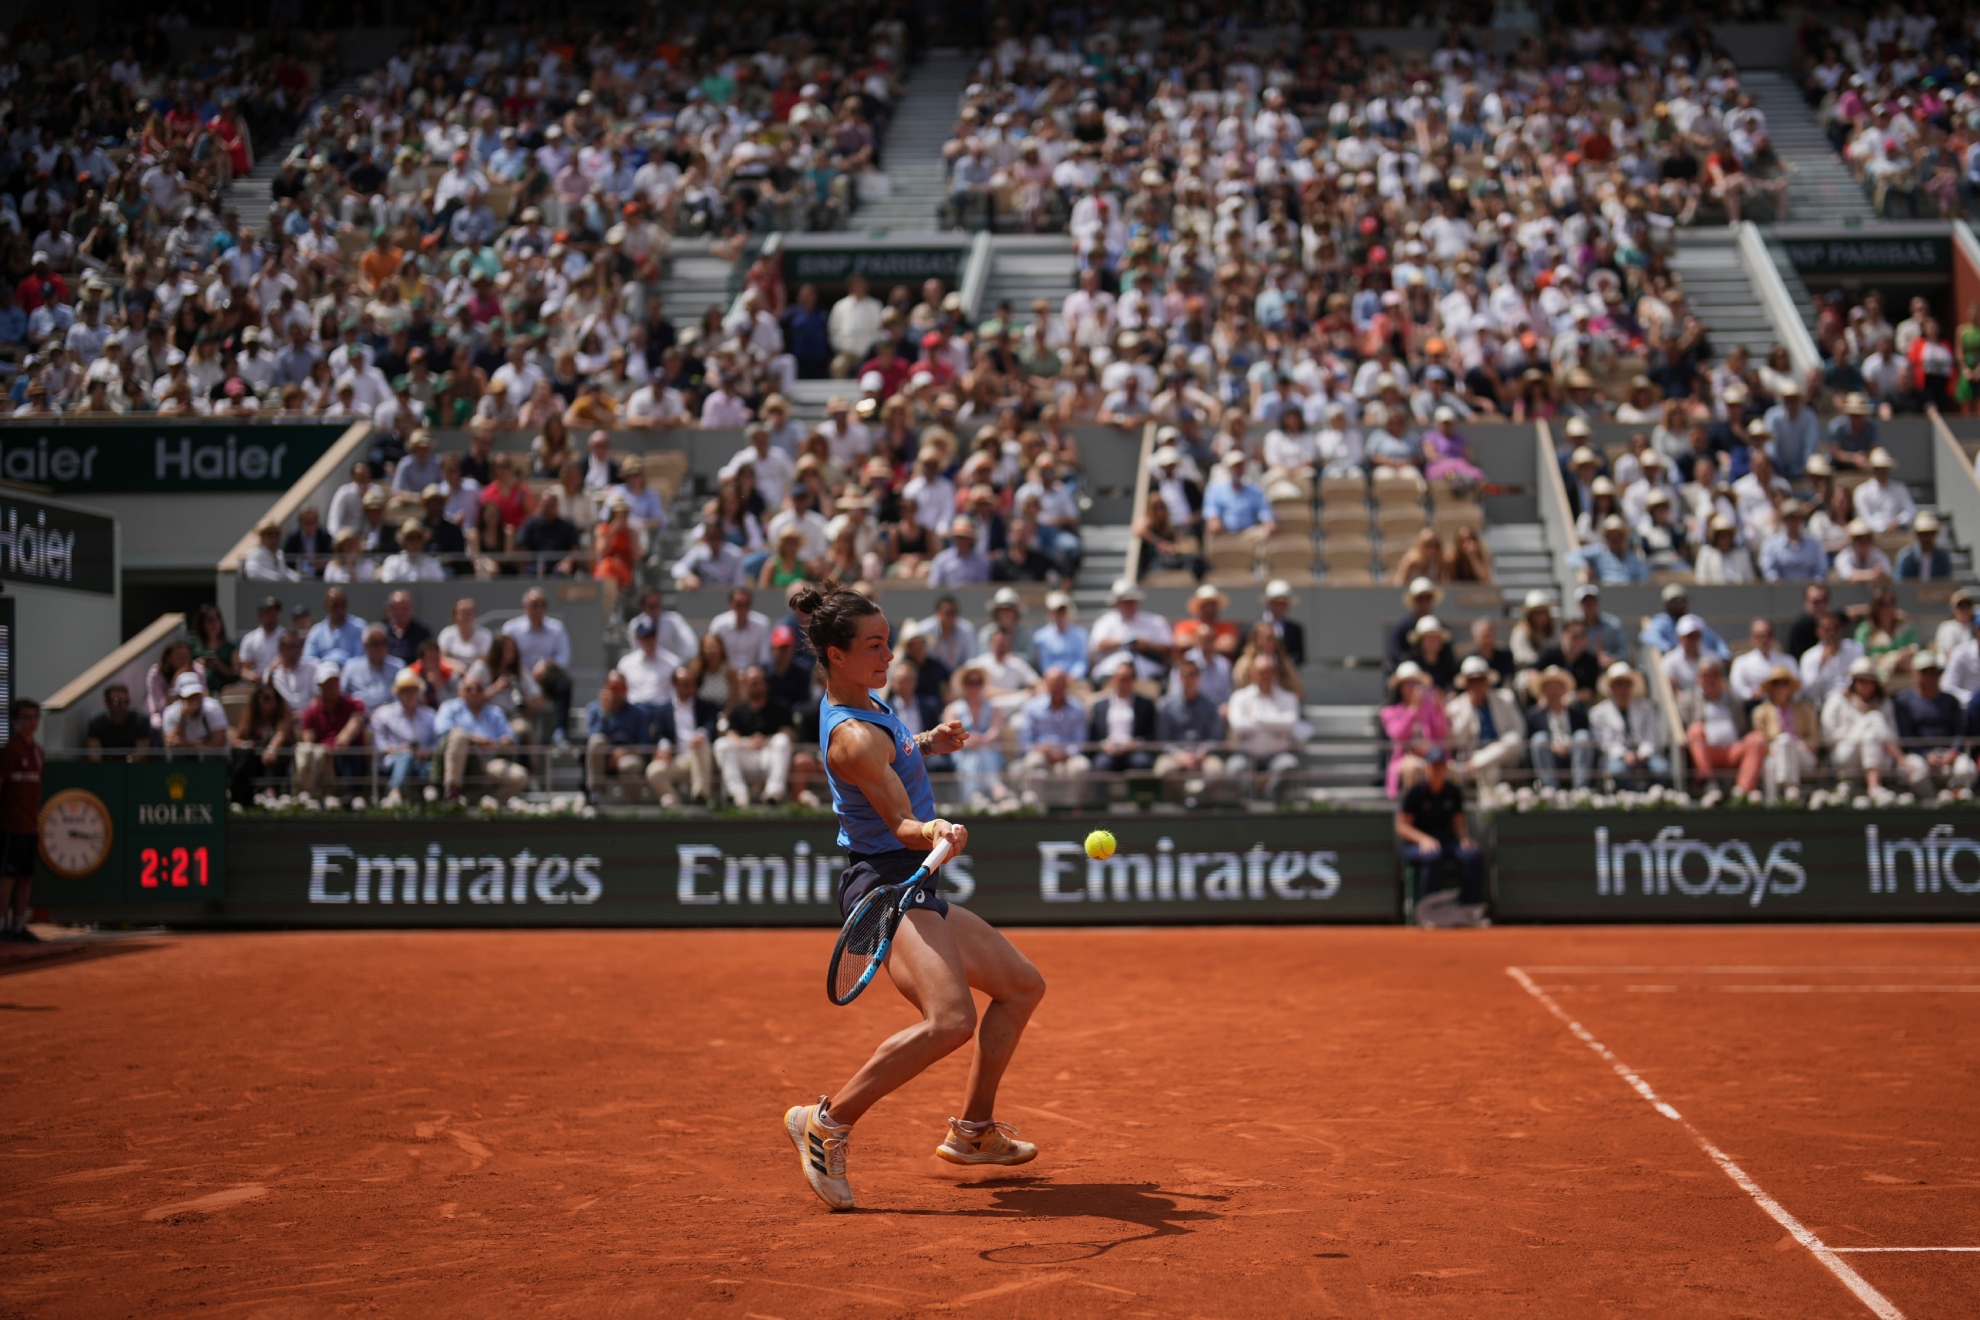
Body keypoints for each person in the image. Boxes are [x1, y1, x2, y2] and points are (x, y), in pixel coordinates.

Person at [784, 579, 1044, 1213]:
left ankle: (974, 1133)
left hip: (915, 879)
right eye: (874, 646)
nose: (889, 655)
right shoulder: (852, 735)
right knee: (951, 1020)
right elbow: (899, 822)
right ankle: (828, 1122)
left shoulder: (868, 706)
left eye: (889, 642)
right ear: (837, 655)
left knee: (1020, 985)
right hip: (888, 883)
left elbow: (892, 753)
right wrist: (934, 828)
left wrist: (926, 741)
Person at [1230, 650, 1311, 800]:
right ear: (1253, 673)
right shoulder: (1239, 697)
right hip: (1248, 756)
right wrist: (1275, 725)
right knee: (1235, 767)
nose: (1265, 676)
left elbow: (1290, 724)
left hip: (1277, 755)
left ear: (1275, 673)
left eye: (1269, 671)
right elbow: (1238, 726)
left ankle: (1271, 804)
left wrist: (1257, 719)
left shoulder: (1288, 698)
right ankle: (1249, 805)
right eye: (1261, 672)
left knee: (1288, 764)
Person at [1678, 657, 1764, 799]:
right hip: (1706, 752)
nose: (1710, 679)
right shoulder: (1688, 699)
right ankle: (1709, 785)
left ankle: (1742, 791)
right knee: (1695, 730)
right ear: (1698, 678)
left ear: (1721, 678)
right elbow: (1685, 728)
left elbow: (1744, 729)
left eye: (1714, 675)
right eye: (1705, 675)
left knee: (1757, 739)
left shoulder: (1733, 700)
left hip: (1732, 751)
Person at [1821, 658, 1907, 799]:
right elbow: (1828, 738)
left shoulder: (1884, 703)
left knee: (1871, 734)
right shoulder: (1836, 701)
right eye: (1862, 680)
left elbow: (1894, 736)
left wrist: (1866, 729)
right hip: (1844, 758)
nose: (1866, 686)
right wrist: (1859, 727)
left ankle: (1874, 786)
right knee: (1873, 718)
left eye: (1870, 681)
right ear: (1853, 682)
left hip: (1880, 760)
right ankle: (1902, 762)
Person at [435, 674, 528, 802]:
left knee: (519, 776)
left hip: (487, 762)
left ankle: (487, 804)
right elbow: (441, 729)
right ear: (459, 691)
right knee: (459, 735)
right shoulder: (450, 707)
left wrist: (496, 744)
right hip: (462, 762)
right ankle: (452, 790)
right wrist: (475, 739)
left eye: (478, 688)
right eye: (469, 688)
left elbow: (511, 740)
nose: (474, 692)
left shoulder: (495, 712)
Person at [1892, 651, 1974, 795]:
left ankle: (1950, 799)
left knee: (1968, 770)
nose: (1930, 676)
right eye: (1924, 672)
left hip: (1948, 753)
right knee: (1916, 774)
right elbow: (1906, 735)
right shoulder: (1903, 702)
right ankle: (1932, 803)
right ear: (1915, 674)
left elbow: (1960, 731)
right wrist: (1925, 755)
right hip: (1918, 754)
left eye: (1933, 672)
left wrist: (1953, 752)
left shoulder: (1950, 700)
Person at [716, 665, 795, 806]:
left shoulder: (779, 707)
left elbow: (789, 732)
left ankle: (773, 794)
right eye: (753, 682)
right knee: (721, 744)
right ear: (745, 684)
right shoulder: (738, 710)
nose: (758, 685)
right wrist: (747, 742)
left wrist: (766, 740)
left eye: (761, 681)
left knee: (782, 741)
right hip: (746, 753)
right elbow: (731, 734)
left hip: (769, 753)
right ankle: (738, 795)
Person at [503, 589, 573, 743]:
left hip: (546, 676)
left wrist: (546, 664)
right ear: (525, 607)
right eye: (534, 605)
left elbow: (564, 658)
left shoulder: (557, 628)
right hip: (518, 676)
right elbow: (504, 656)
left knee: (564, 685)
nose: (539, 609)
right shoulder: (511, 629)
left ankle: (560, 731)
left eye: (542, 605)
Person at [1445, 655, 1524, 791]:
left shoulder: (1505, 698)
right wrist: (1468, 710)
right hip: (1477, 758)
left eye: (1480, 680)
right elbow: (1457, 741)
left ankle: (1476, 763)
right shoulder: (1455, 707)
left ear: (1487, 681)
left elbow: (1519, 730)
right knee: (1490, 768)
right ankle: (1489, 809)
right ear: (1466, 684)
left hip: (1503, 756)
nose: (1477, 685)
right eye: (1472, 681)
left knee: (1514, 740)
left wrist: (1478, 760)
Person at [647, 665, 720, 807]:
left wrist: (701, 735)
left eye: (693, 683)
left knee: (701, 746)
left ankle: (700, 797)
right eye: (685, 683)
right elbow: (661, 734)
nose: (690, 687)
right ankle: (677, 807)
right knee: (653, 771)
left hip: (702, 756)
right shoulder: (663, 710)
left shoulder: (707, 706)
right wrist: (665, 747)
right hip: (678, 757)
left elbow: (712, 725)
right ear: (674, 684)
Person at [0, 699, 43, 940]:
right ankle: (1, 926)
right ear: (15, 721)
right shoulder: (10, 750)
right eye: (26, 717)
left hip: (30, 825)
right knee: (7, 876)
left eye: (35, 717)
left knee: (26, 876)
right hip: (10, 825)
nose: (31, 722)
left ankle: (18, 925)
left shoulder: (38, 752)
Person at [1589, 663, 1667, 790]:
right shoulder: (1598, 713)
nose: (1623, 689)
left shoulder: (1646, 707)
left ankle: (1649, 797)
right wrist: (1624, 754)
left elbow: (1651, 735)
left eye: (1626, 684)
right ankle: (1633, 798)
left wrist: (1643, 753)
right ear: (1611, 687)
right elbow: (1604, 743)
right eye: (1618, 684)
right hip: (1616, 756)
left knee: (1662, 770)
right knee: (1618, 771)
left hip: (1644, 754)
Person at [294, 670, 368, 799]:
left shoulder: (352, 705)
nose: (332, 686)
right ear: (320, 687)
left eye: (335, 682)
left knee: (350, 748)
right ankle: (312, 794)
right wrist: (325, 748)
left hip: (345, 752)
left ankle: (352, 794)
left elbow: (356, 719)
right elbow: (308, 740)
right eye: (328, 683)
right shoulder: (312, 712)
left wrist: (345, 736)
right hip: (324, 757)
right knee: (308, 753)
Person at [1750, 665, 1819, 801]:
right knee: (1769, 764)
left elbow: (1815, 739)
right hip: (1774, 753)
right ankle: (1773, 803)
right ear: (1771, 688)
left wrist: (1795, 744)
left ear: (1791, 688)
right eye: (1776, 684)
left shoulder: (1805, 709)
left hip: (1803, 754)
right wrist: (1776, 749)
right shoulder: (1761, 712)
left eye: (1785, 683)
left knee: (1785, 740)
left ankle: (1789, 786)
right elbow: (1760, 741)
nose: (1780, 687)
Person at [370, 669, 438, 806]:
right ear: (398, 693)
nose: (410, 694)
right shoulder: (383, 714)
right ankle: (395, 791)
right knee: (406, 756)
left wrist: (427, 751)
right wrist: (396, 749)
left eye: (413, 690)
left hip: (421, 762)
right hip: (392, 760)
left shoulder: (429, 715)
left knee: (428, 768)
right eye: (405, 690)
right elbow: (378, 741)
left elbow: (436, 741)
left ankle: (429, 797)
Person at [584, 672, 653, 803]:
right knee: (596, 741)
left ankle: (635, 806)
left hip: (629, 755)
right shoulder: (594, 710)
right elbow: (592, 737)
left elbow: (645, 745)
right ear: (605, 688)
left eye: (621, 688)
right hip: (603, 757)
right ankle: (595, 793)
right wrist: (605, 712)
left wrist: (623, 752)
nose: (617, 693)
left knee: (628, 765)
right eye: (614, 688)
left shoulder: (639, 713)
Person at [1526, 666, 1595, 791]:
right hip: (1549, 757)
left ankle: (1581, 789)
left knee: (1583, 737)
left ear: (1564, 690)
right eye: (1549, 687)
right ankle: (1549, 789)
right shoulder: (1534, 716)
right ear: (1543, 691)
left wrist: (1567, 745)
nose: (1554, 691)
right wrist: (1552, 745)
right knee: (1539, 739)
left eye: (1557, 686)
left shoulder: (1578, 714)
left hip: (1573, 754)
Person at [228, 682, 292, 808]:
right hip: (254, 759)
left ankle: (270, 793)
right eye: (260, 696)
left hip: (275, 759)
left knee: (274, 757)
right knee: (243, 755)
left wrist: (270, 750)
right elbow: (236, 740)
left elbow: (280, 735)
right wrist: (245, 744)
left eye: (268, 698)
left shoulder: (283, 715)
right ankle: (238, 797)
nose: (263, 700)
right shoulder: (250, 717)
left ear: (276, 701)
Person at [161, 672, 228, 756]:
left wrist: (187, 746)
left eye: (197, 695)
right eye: (189, 696)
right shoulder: (170, 712)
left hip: (210, 758)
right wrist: (183, 717)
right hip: (184, 759)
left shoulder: (213, 707)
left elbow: (218, 744)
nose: (195, 700)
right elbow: (173, 746)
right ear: (180, 698)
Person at [86, 683, 151, 760]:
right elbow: (93, 753)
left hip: (132, 767)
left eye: (126, 702)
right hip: (106, 766)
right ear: (107, 703)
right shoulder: (97, 720)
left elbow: (142, 752)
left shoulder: (140, 720)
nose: (123, 707)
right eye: (118, 703)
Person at [1895, 511, 1952, 580]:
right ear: (1917, 535)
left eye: (1929, 534)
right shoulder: (1906, 557)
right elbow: (1900, 582)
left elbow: (1947, 582)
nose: (1926, 538)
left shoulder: (1942, 557)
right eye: (1922, 534)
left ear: (1935, 534)